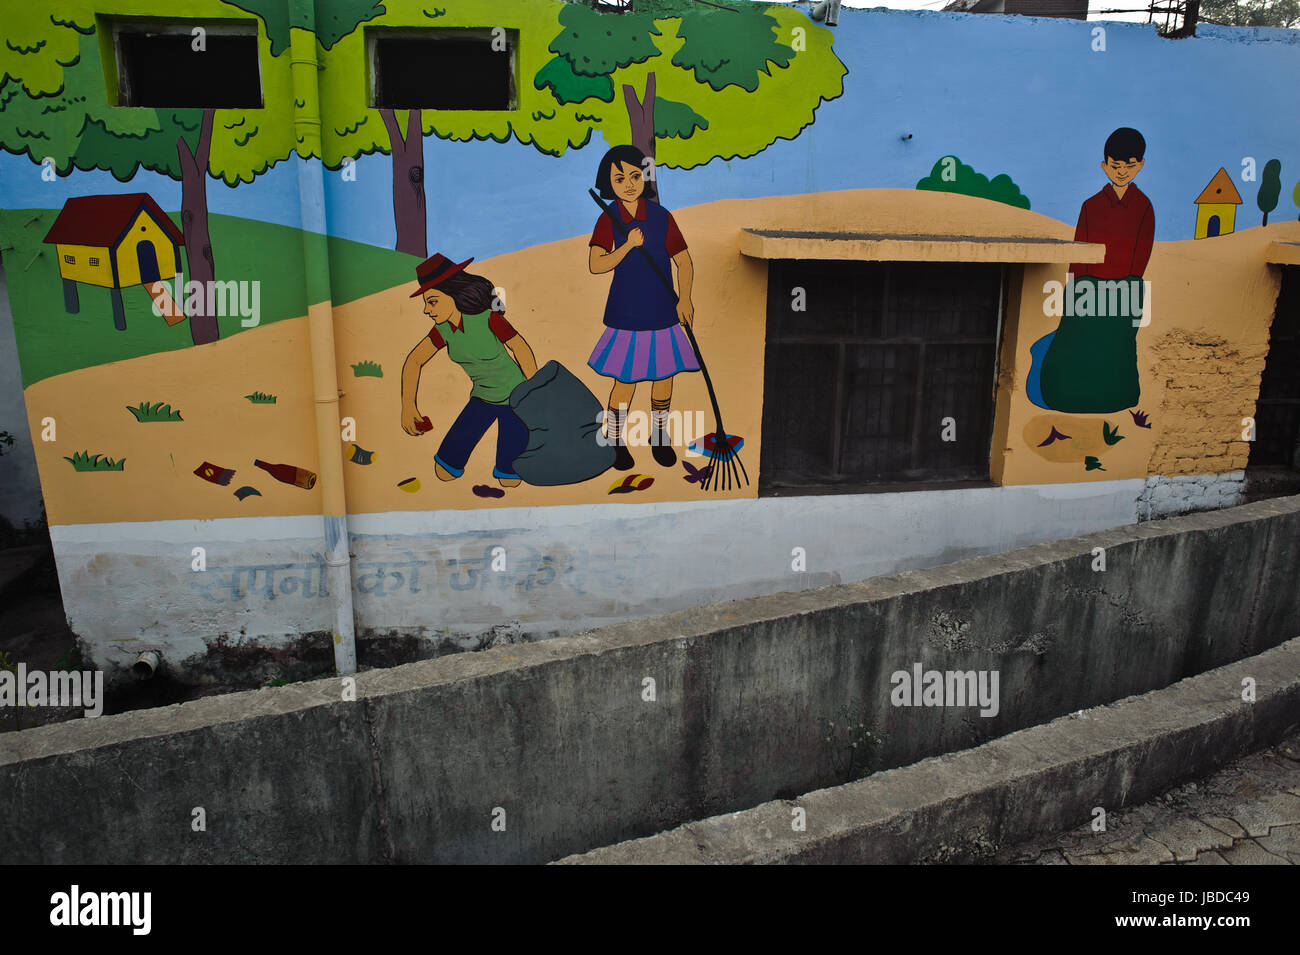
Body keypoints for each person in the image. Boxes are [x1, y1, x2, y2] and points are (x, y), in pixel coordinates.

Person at [587, 145, 700, 470]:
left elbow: (684, 261)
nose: (629, 183)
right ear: (608, 182)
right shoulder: (608, 218)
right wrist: (627, 247)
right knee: (626, 379)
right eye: (620, 178)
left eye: (635, 176)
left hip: (663, 311)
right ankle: (615, 440)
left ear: (645, 177)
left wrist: (685, 298)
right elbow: (596, 264)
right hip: (626, 314)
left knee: (664, 376)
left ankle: (659, 435)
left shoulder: (661, 217)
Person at [1040, 127, 1153, 414]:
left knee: (1116, 347)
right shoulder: (1090, 206)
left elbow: (1142, 252)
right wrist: (1075, 287)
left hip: (1124, 290)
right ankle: (1065, 395)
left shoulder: (1143, 207)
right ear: (1105, 166)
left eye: (1129, 166)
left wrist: (1130, 285)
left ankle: (1116, 396)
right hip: (1088, 287)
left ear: (1140, 165)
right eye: (1115, 166)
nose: (1122, 172)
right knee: (1079, 344)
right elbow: (1080, 249)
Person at [400, 253, 538, 488]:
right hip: (482, 399)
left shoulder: (489, 319)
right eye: (425, 302)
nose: (426, 310)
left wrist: (534, 392)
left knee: (509, 481)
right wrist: (408, 406)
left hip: (516, 399)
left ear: (453, 294)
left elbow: (520, 349)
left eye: (432, 301)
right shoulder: (442, 330)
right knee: (444, 471)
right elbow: (414, 361)